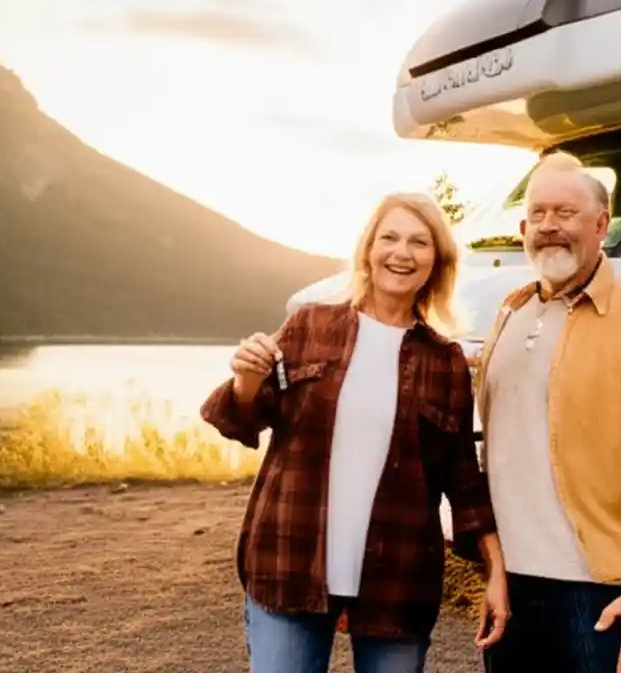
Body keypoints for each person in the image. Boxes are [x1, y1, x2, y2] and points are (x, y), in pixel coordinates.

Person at [199, 191, 509, 673]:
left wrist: (496, 571)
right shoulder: (308, 326)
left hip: (399, 582)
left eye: (419, 242)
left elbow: (463, 481)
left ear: (437, 261)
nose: (401, 253)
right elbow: (240, 418)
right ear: (368, 249)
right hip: (288, 564)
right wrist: (246, 379)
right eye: (389, 237)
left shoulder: (444, 361)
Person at [474, 152, 621, 673]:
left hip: (597, 593)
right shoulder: (510, 312)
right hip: (512, 586)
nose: (549, 226)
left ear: (602, 224)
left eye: (565, 212)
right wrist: (493, 571)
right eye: (537, 214)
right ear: (522, 227)